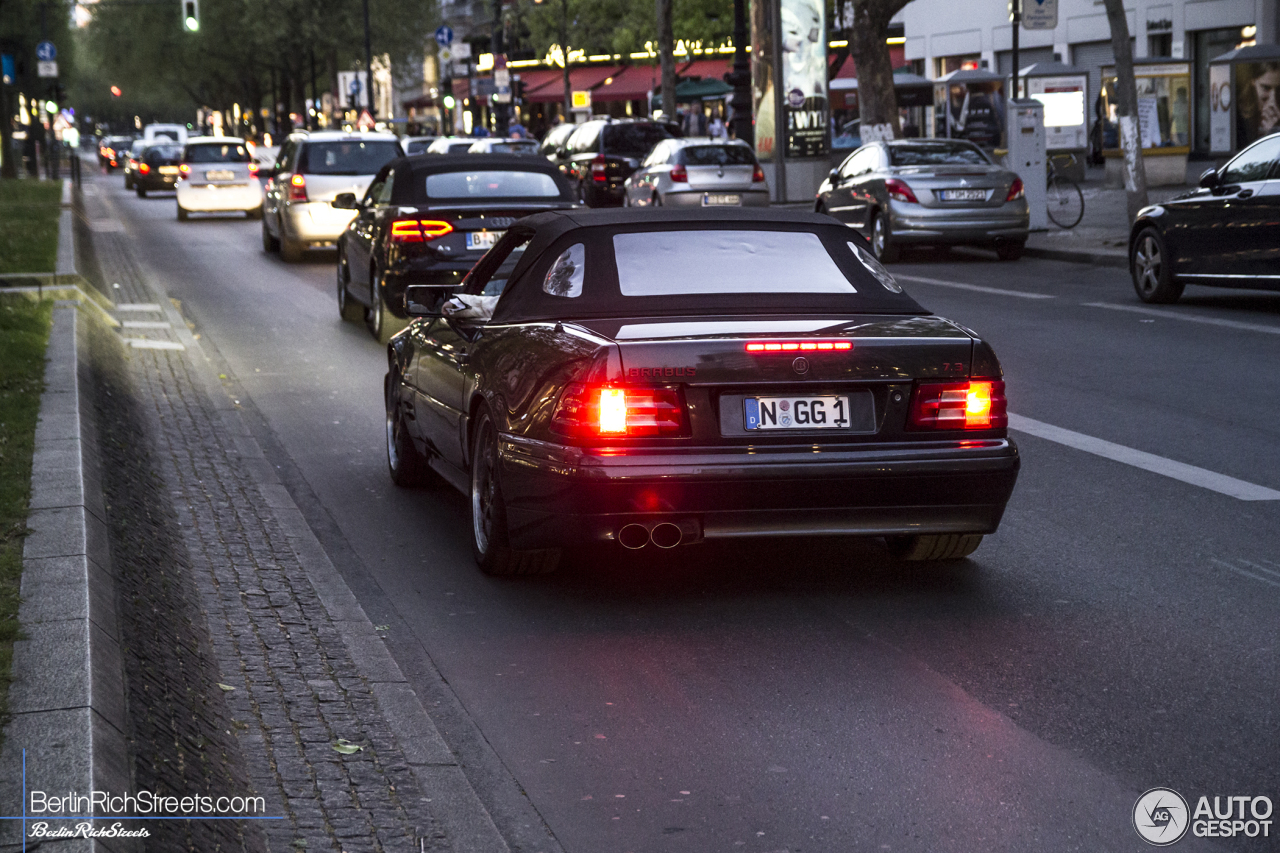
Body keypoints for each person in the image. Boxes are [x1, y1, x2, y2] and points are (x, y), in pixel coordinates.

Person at [1237, 62, 1280, 148]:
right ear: (1253, 81)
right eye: (1266, 88)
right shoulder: (1238, 117)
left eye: (1279, 90)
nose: (1272, 99)